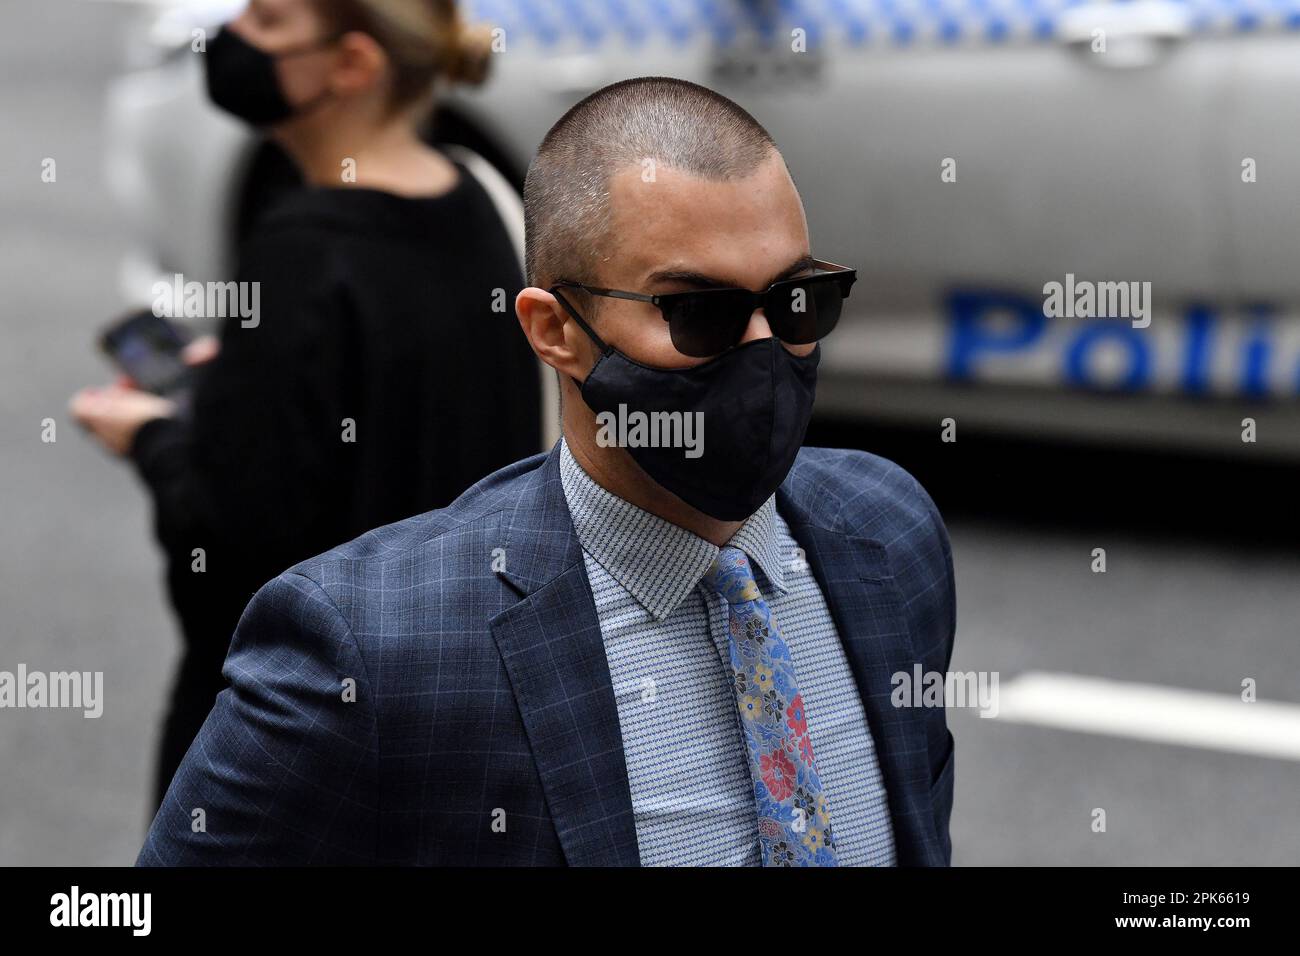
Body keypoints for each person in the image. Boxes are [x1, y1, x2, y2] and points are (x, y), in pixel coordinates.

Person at [137, 76, 956, 867]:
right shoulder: (370, 647)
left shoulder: (890, 534)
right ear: (555, 329)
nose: (763, 349)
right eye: (696, 312)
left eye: (797, 302)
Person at [70, 0, 539, 811]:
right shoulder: (483, 195)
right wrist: (254, 382)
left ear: (351, 64)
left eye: (269, 22)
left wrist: (150, 436)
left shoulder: (300, 252)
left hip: (304, 738)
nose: (231, 40)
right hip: (455, 708)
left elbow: (230, 533)